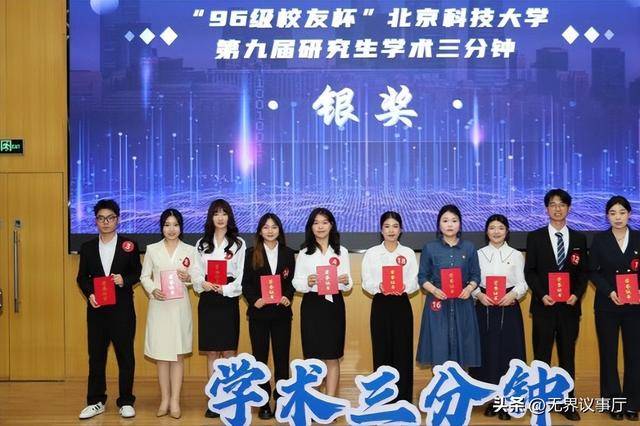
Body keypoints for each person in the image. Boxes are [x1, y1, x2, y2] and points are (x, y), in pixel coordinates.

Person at [524, 188, 588, 421]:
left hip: (569, 308)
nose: (557, 208)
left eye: (562, 204)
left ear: (568, 208)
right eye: (553, 204)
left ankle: (567, 403)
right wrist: (542, 295)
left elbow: (584, 273)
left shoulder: (579, 238)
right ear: (546, 209)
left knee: (567, 356)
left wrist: (577, 295)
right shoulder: (535, 237)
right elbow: (530, 272)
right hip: (544, 306)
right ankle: (539, 401)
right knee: (541, 356)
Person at [76, 199, 141, 419]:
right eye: (101, 218)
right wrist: (90, 294)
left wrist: (124, 280)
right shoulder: (87, 247)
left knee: (125, 356)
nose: (106, 222)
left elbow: (137, 273)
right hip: (97, 311)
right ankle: (96, 401)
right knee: (96, 357)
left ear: (117, 220)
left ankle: (126, 401)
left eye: (110, 218)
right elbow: (82, 278)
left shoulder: (128, 245)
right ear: (96, 221)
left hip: (122, 311)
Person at [140, 209, 200, 419]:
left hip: (179, 308)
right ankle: (164, 399)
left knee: (177, 355)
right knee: (161, 356)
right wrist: (152, 289)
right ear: (162, 227)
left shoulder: (190, 250)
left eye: (175, 224)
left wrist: (188, 278)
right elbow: (144, 276)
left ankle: (175, 400)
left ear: (181, 227)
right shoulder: (152, 249)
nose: (171, 229)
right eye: (167, 225)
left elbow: (197, 277)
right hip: (159, 306)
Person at [470, 214, 528, 420]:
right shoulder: (478, 254)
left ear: (507, 231)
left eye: (501, 228)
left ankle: (510, 401)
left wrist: (514, 295)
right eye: (492, 228)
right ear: (487, 231)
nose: (496, 232)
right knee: (488, 353)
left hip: (508, 306)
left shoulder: (516, 254)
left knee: (509, 353)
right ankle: (493, 400)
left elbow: (522, 283)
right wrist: (479, 295)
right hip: (485, 307)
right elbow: (471, 281)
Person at [193, 199, 246, 418]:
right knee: (212, 352)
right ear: (211, 217)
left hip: (228, 299)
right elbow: (196, 272)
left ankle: (231, 398)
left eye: (224, 213)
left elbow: (241, 276)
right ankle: (214, 400)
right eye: (216, 213)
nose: (220, 217)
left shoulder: (238, 244)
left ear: (229, 217)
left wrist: (225, 289)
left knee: (229, 351)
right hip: (208, 299)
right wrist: (202, 283)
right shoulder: (202, 243)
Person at [589, 195, 640, 421]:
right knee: (608, 354)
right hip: (607, 305)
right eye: (612, 213)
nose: (617, 217)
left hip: (635, 306)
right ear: (607, 216)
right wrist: (610, 291)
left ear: (629, 214)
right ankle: (613, 402)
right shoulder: (600, 240)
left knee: (635, 355)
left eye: (622, 212)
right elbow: (592, 271)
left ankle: (633, 403)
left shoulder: (638, 238)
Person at [292, 208, 352, 397]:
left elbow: (349, 284)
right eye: (316, 223)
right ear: (311, 227)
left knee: (332, 356)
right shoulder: (304, 253)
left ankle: (331, 401)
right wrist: (308, 282)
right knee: (313, 357)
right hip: (312, 306)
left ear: (331, 225)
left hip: (334, 305)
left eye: (324, 222)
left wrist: (345, 281)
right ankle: (315, 400)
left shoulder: (341, 251)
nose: (320, 226)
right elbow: (296, 283)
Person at [242, 213, 296, 419]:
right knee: (260, 358)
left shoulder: (288, 253)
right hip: (259, 313)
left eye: (274, 227)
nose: (270, 231)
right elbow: (245, 283)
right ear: (260, 231)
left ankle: (281, 399)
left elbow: (292, 282)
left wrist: (287, 296)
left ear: (279, 230)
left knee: (282, 358)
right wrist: (254, 299)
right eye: (266, 227)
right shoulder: (251, 253)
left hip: (282, 313)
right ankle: (263, 401)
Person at [361, 211, 419, 403]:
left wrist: (404, 287)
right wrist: (379, 286)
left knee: (403, 352)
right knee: (381, 351)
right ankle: (382, 400)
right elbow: (366, 282)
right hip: (381, 304)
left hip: (401, 304)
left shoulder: (408, 253)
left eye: (395, 226)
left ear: (401, 230)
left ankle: (403, 400)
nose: (391, 230)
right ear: (381, 230)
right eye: (387, 226)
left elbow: (415, 281)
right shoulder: (372, 253)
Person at [416, 204, 481, 368]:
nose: (450, 224)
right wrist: (434, 290)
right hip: (437, 302)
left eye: (454, 220)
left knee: (463, 345)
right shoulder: (430, 248)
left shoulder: (469, 247)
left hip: (462, 302)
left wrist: (469, 288)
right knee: (438, 346)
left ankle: (461, 382)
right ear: (439, 224)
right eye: (445, 221)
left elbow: (476, 275)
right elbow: (422, 277)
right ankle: (439, 382)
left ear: (460, 224)